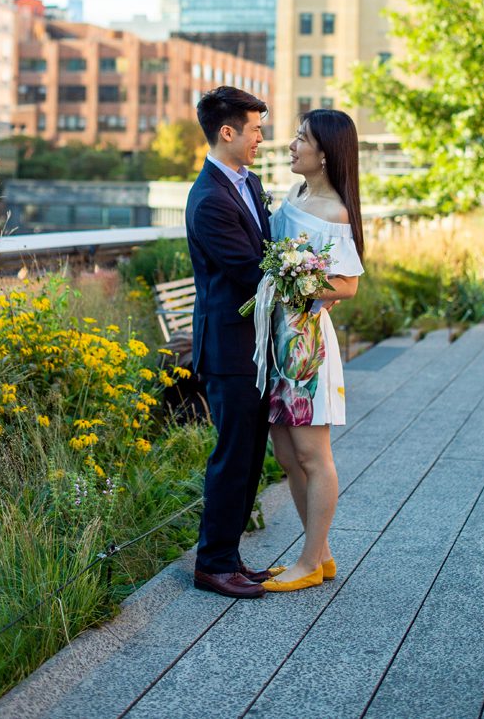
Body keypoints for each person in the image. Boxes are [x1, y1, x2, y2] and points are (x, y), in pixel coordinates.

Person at [258, 109, 364, 593]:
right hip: (277, 337)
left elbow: (348, 284)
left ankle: (309, 561)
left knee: (312, 453)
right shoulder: (298, 194)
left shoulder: (335, 211)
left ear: (324, 152)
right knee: (284, 450)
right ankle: (318, 556)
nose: (291, 145)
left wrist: (296, 278)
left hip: (307, 343)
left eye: (301, 139)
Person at [185, 86, 274, 599]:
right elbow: (249, 269)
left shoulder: (248, 183)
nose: (261, 138)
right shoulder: (210, 199)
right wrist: (303, 276)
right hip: (229, 347)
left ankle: (231, 556)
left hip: (253, 344)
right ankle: (212, 563)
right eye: (255, 128)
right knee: (231, 456)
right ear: (228, 131)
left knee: (250, 454)